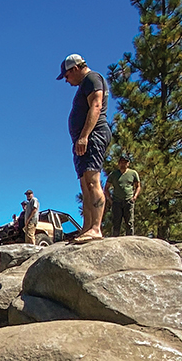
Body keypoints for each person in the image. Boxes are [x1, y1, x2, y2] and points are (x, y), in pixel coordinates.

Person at [58, 53, 111, 243]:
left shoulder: (91, 79)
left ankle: (96, 228)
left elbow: (96, 106)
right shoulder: (84, 83)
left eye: (66, 75)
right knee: (84, 184)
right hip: (83, 140)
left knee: (92, 181)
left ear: (75, 69)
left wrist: (84, 136)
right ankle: (87, 227)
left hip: (93, 135)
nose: (66, 80)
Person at [105, 155, 141, 237]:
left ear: (128, 163)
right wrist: (110, 200)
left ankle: (130, 240)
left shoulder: (133, 173)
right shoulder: (113, 174)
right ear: (118, 163)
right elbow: (106, 188)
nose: (123, 164)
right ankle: (114, 240)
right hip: (116, 201)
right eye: (121, 162)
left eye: (125, 162)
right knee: (116, 222)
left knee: (129, 222)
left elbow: (138, 186)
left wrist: (134, 197)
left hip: (128, 200)